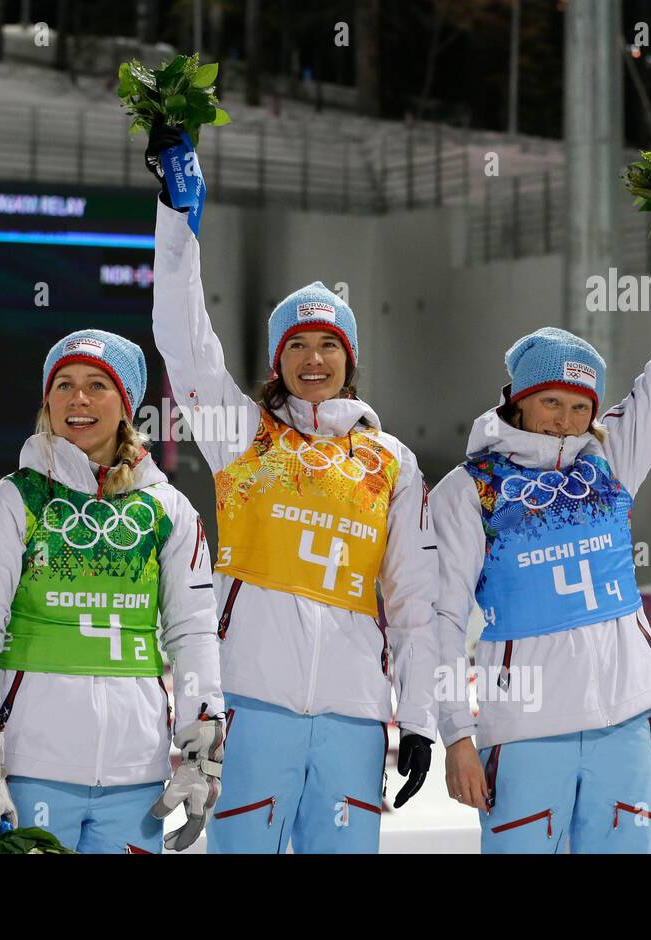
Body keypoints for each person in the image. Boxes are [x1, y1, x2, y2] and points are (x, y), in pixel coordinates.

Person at [144, 124, 440, 854]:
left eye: (329, 343)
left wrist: (423, 719)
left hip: (353, 714)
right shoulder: (243, 435)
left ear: (351, 358)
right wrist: (178, 222)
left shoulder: (392, 461)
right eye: (297, 345)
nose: (315, 357)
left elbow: (412, 602)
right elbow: (183, 341)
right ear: (277, 363)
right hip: (251, 702)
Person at [431, 186, 651, 853]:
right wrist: (456, 734)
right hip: (523, 733)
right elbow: (442, 619)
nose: (563, 418)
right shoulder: (469, 489)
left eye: (576, 404)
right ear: (515, 402)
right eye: (548, 401)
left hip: (624, 723)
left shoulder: (610, 457)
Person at [0, 329, 224, 854]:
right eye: (64, 384)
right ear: (46, 401)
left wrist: (202, 755)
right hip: (29, 773)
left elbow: (193, 634)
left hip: (137, 779)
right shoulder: (10, 505)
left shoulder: (169, 511)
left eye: (98, 385)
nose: (78, 398)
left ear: (125, 404)